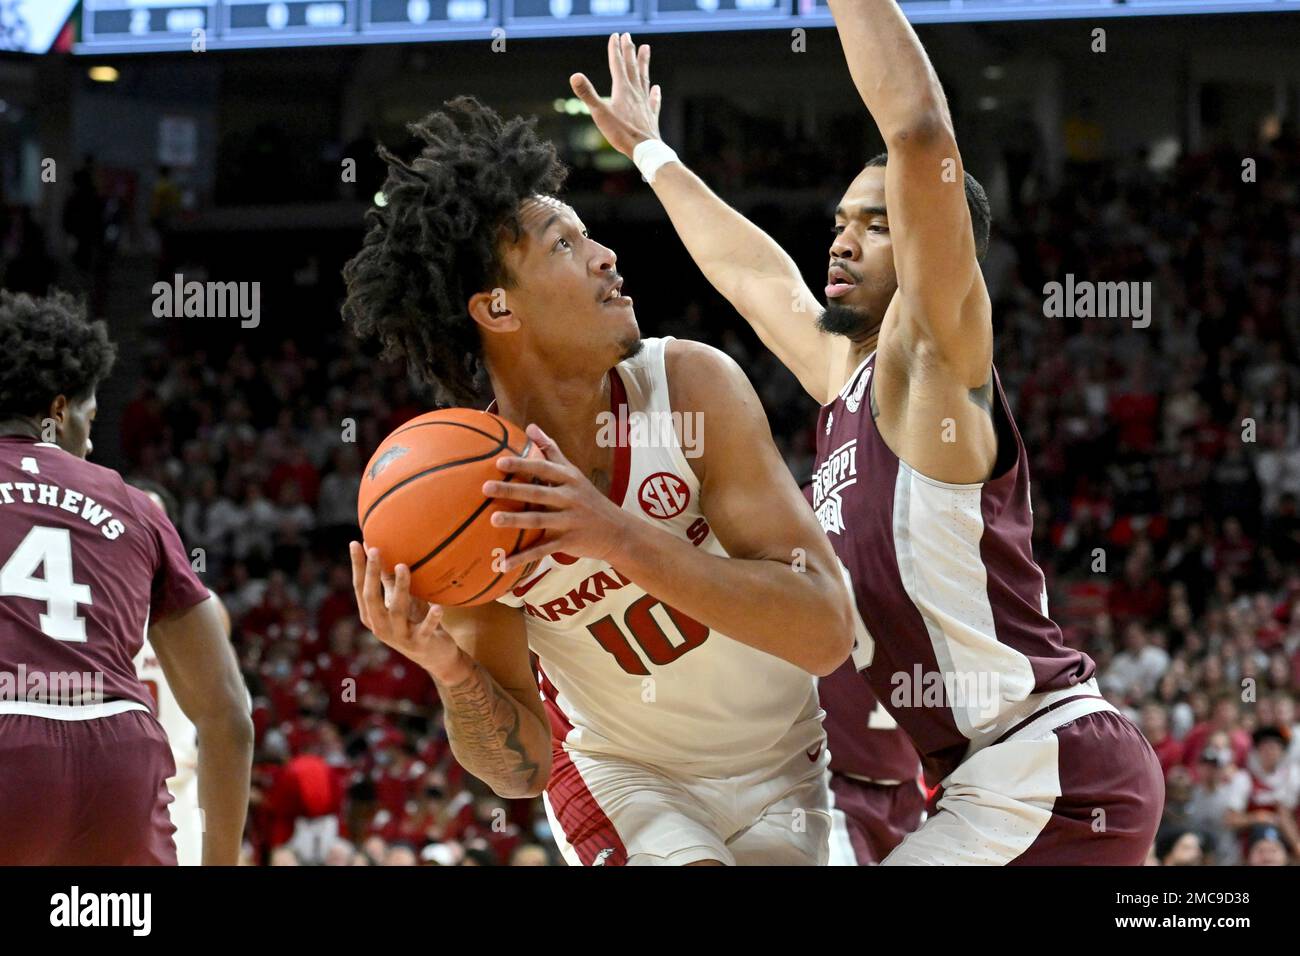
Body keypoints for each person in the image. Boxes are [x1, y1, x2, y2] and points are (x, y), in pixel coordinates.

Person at [571, 12, 1162, 864]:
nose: (843, 237)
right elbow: (753, 276)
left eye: (878, 223)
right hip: (984, 779)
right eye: (842, 218)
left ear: (933, 241)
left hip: (1053, 771)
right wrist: (651, 153)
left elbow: (919, 129)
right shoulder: (847, 380)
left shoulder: (932, 364)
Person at [341, 98, 857, 866]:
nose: (606, 255)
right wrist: (448, 668)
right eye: (564, 245)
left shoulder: (689, 388)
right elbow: (517, 770)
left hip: (790, 760)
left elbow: (824, 632)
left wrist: (614, 534)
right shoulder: (471, 497)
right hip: (630, 781)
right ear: (496, 307)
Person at [0, 289, 252, 865]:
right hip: (115, 756)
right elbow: (230, 718)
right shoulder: (136, 505)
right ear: (59, 412)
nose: (89, 442)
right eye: (89, 418)